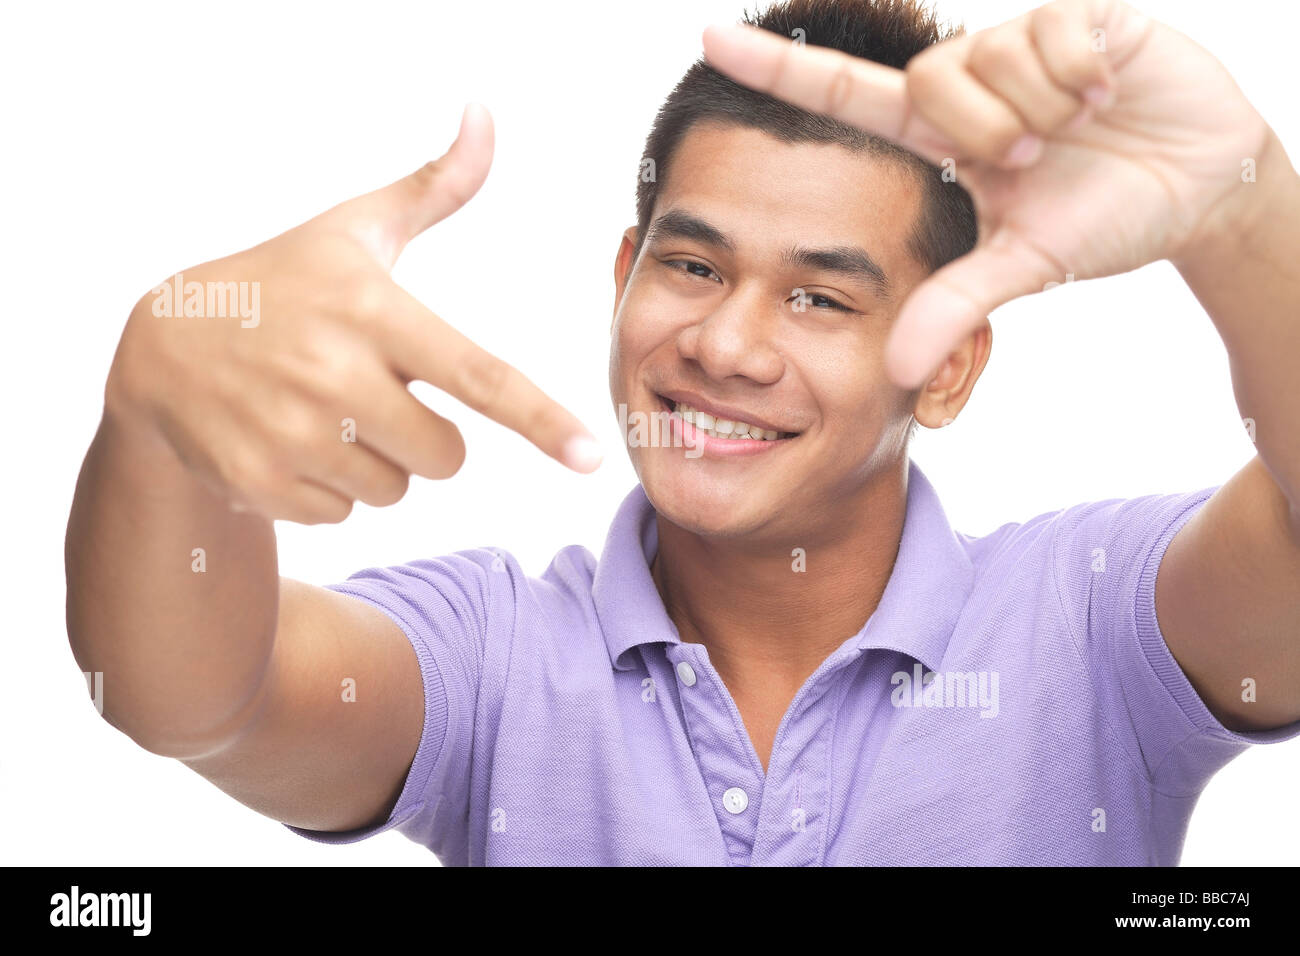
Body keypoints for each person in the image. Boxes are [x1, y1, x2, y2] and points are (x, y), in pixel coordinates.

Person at [66, 0, 1300, 865]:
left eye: (820, 296)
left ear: (951, 362)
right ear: (623, 274)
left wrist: (1246, 219)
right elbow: (188, 699)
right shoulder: (496, 658)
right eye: (694, 264)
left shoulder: (1087, 623)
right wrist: (160, 428)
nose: (725, 344)